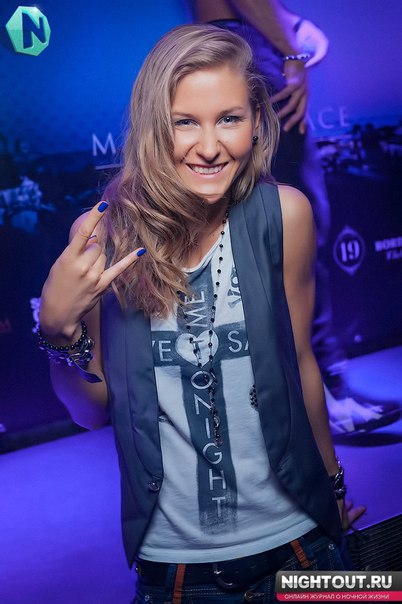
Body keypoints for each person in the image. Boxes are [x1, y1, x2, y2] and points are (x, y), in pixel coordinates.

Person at [39, 25, 347, 603]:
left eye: (229, 118)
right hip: (177, 575)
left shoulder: (286, 214)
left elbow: (302, 363)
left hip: (304, 547)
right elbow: (90, 412)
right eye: (185, 122)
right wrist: (57, 334)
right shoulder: (104, 235)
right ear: (154, 128)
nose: (209, 147)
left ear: (257, 122)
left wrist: (333, 488)